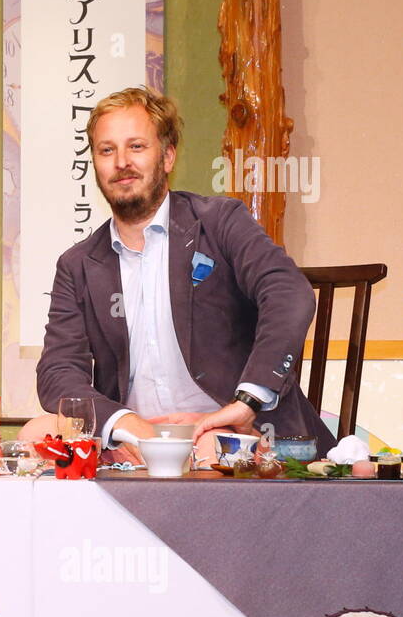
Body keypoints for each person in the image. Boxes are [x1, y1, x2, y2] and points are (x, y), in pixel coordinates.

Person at [20, 86, 335, 465]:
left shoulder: (220, 222)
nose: (121, 162)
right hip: (133, 439)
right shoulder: (78, 264)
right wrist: (124, 423)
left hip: (228, 428)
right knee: (33, 435)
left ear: (167, 156)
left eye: (136, 147)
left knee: (213, 450)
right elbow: (58, 372)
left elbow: (288, 293)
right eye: (107, 150)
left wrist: (247, 401)